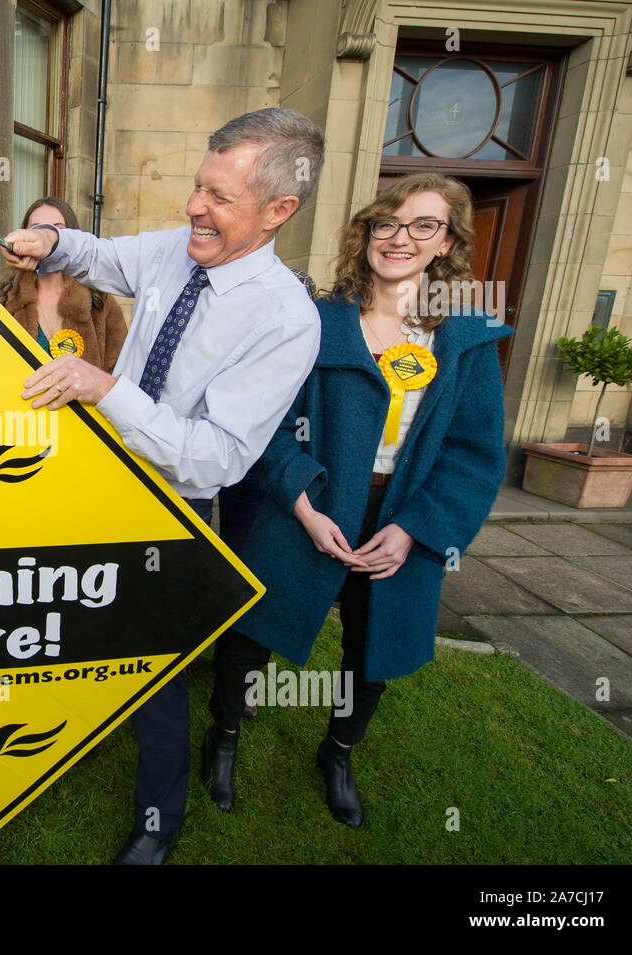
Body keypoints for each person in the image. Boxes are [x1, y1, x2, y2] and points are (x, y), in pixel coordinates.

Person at [4, 107, 325, 864]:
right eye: (196, 185)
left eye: (218, 196)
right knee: (61, 628)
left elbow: (214, 458)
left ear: (280, 210)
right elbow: (96, 254)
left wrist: (101, 387)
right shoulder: (175, 251)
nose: (192, 207)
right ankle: (44, 749)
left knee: (155, 671)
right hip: (88, 487)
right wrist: (50, 241)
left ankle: (157, 822)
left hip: (170, 514)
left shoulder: (286, 320)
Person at [204, 173, 512, 829]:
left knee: (373, 648)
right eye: (386, 223)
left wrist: (417, 529)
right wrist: (304, 505)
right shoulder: (313, 321)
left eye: (422, 225)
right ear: (366, 232)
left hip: (402, 513)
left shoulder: (467, 337)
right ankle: (224, 736)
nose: (399, 238)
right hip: (310, 501)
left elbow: (474, 451)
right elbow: (268, 422)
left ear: (448, 241)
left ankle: (338, 752)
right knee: (252, 630)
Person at [0, 197, 126, 373]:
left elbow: (118, 372)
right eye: (36, 229)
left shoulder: (100, 302)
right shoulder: (2, 298)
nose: (43, 238)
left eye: (57, 230)